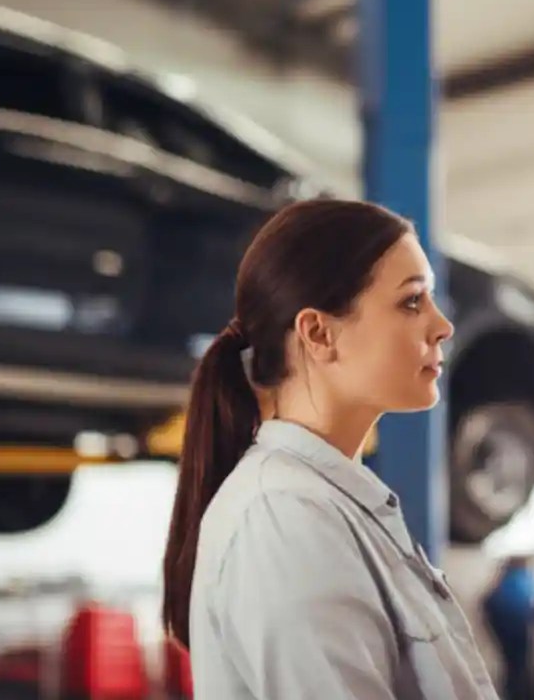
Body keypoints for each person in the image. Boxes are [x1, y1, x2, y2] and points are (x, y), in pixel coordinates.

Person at [160, 199, 498, 699]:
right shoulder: (284, 516)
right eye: (412, 301)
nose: (442, 325)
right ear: (319, 333)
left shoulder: (328, 504)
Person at [482, 555, 534, 699]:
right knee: (520, 668)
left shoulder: (504, 582)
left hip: (506, 630)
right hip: (517, 630)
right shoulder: (522, 580)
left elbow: (486, 602)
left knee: (512, 667)